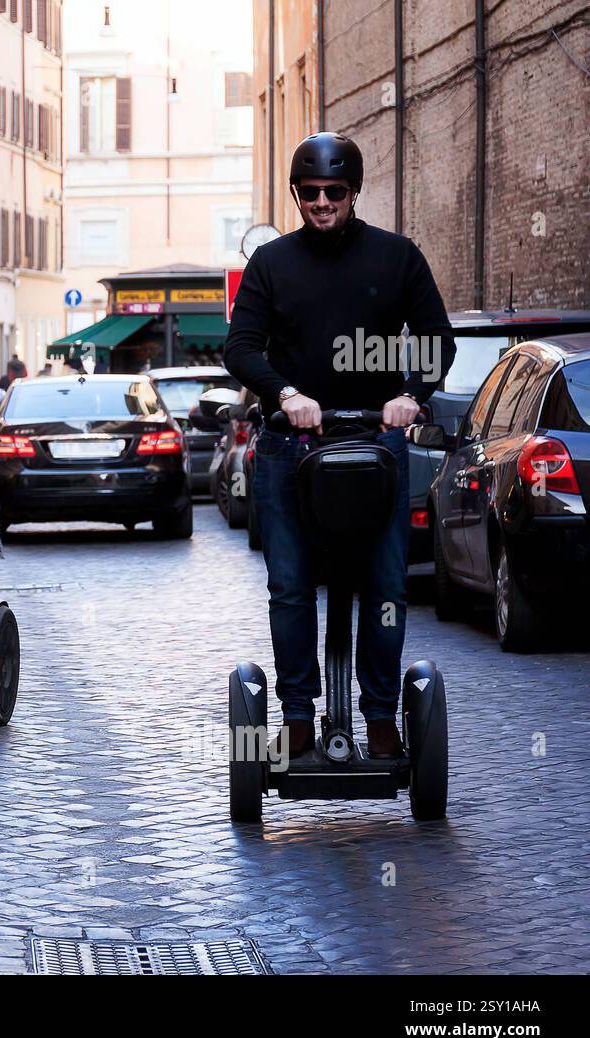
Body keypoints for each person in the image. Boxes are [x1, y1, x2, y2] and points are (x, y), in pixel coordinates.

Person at [223, 131, 455, 759]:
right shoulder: (271, 264)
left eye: (334, 191)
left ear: (354, 191)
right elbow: (240, 346)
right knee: (291, 587)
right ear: (297, 193)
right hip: (289, 451)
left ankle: (381, 717)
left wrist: (412, 394)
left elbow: (437, 337)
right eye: (309, 192)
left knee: (385, 586)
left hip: (376, 447)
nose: (321, 202)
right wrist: (285, 394)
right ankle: (298, 716)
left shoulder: (397, 257)